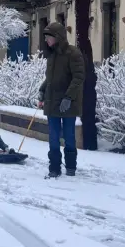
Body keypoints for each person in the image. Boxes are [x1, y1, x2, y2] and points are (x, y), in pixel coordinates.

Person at [38, 22, 85, 178]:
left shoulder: (73, 54)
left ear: (57, 37)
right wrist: (42, 90)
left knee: (69, 136)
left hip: (67, 105)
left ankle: (71, 167)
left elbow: (78, 77)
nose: (46, 40)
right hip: (52, 103)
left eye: (48, 37)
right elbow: (50, 79)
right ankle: (54, 168)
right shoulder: (51, 56)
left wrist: (68, 97)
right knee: (53, 137)